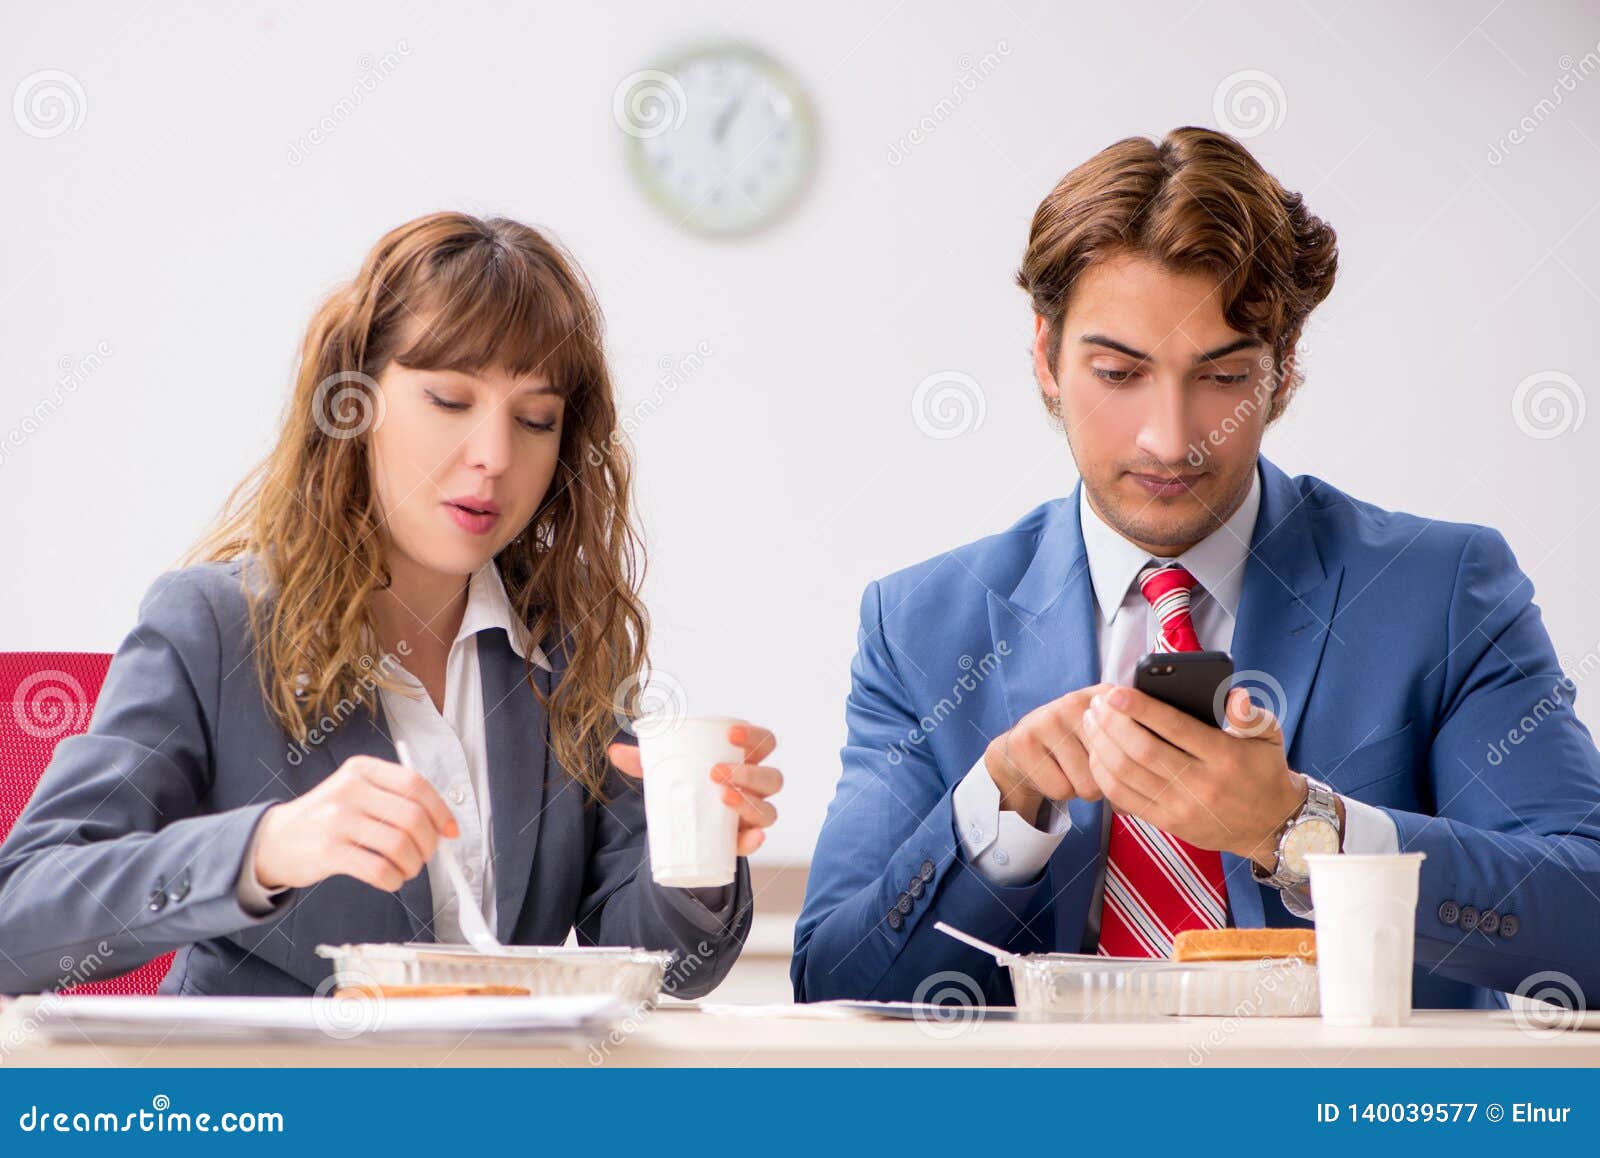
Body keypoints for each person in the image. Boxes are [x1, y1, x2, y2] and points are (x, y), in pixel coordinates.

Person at [793, 126, 1600, 1010]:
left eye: (1222, 377)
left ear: (1285, 371)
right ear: (1044, 359)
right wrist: (1001, 801)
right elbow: (834, 983)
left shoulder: (1442, 592)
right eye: (1117, 371)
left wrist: (1296, 827)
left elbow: (1585, 919)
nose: (1170, 440)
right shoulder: (919, 627)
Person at [0, 212, 782, 998]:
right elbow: (18, 918)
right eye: (449, 400)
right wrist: (266, 847)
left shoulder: (562, 651)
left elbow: (661, 960)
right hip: (273, 1107)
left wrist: (701, 856)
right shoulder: (213, 626)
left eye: (535, 419)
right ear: (358, 403)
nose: (495, 456)